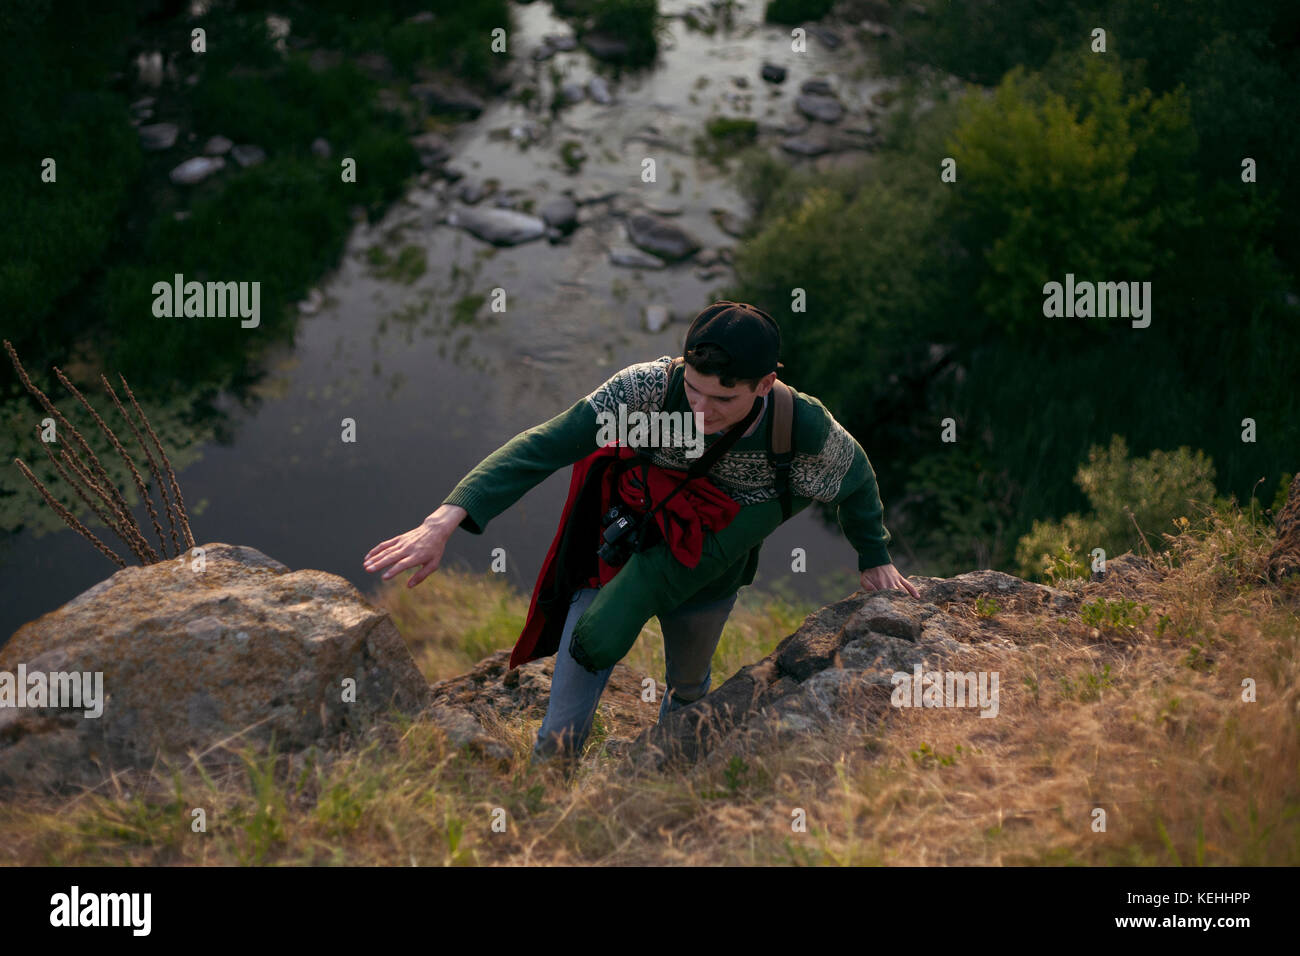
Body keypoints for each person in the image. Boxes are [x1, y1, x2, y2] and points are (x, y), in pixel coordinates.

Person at [363, 301, 919, 769]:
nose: (701, 410)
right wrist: (444, 521)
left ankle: (661, 773)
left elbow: (856, 481)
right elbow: (544, 446)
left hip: (709, 572)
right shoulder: (646, 391)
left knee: (689, 687)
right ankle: (548, 790)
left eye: (723, 400)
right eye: (694, 391)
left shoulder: (797, 426)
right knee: (574, 687)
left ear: (765, 384)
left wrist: (874, 556)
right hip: (616, 551)